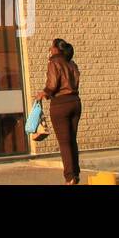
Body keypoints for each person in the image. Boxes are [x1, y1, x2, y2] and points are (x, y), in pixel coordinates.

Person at [35, 37, 82, 184]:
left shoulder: (54, 62)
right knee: (72, 140)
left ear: (57, 49)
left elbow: (53, 84)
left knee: (64, 142)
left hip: (60, 105)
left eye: (51, 46)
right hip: (75, 102)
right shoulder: (72, 63)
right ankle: (76, 174)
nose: (49, 49)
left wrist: (44, 93)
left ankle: (69, 177)